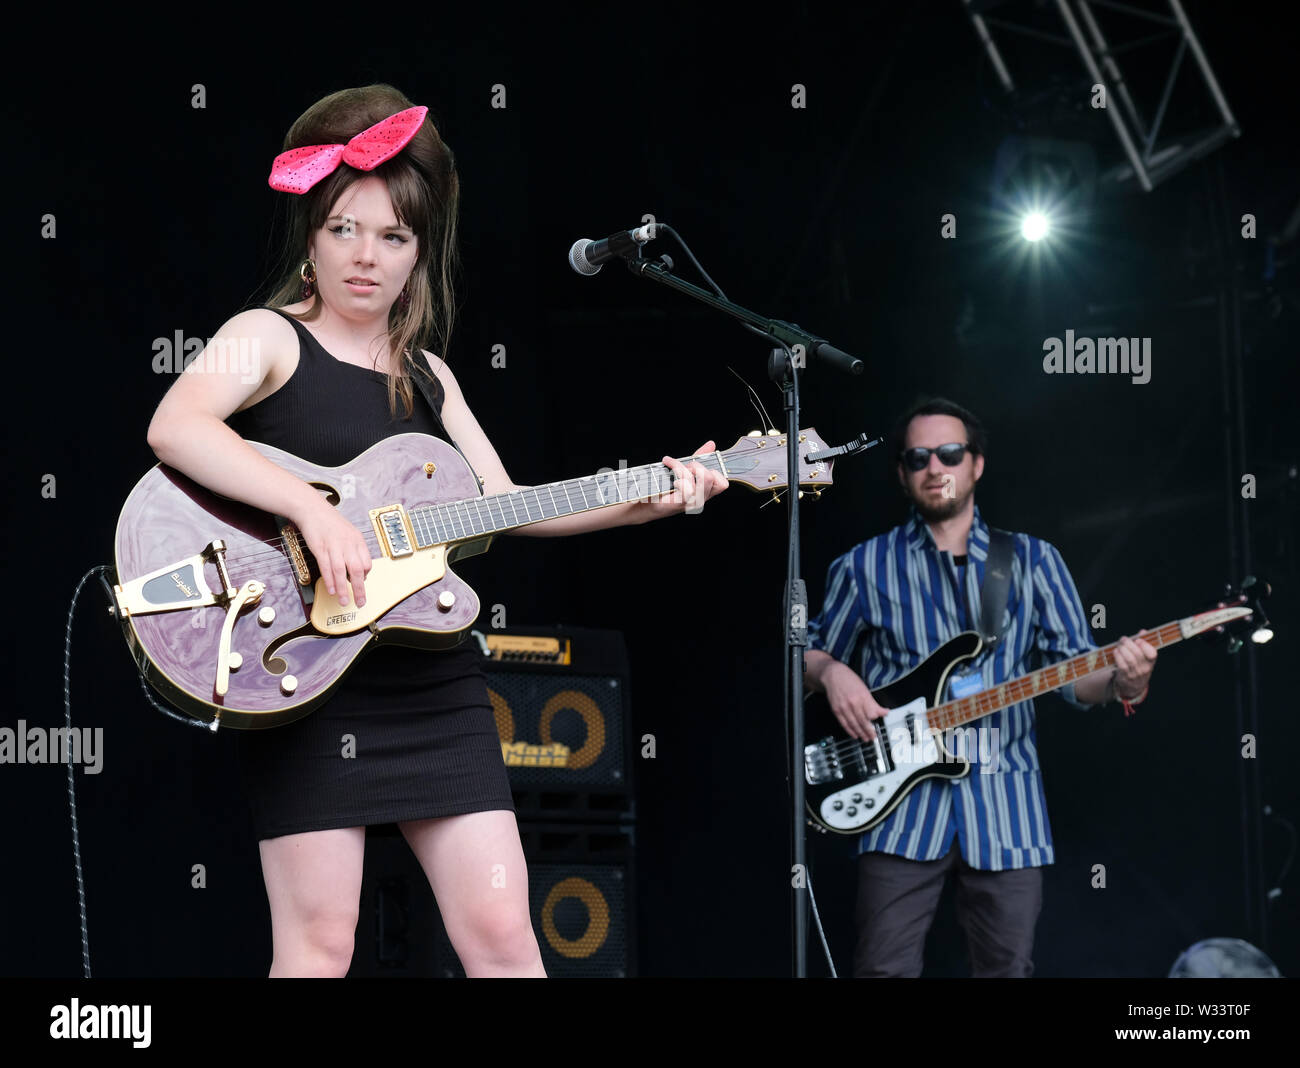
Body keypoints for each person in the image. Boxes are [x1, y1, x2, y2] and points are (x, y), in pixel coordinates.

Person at [145, 84, 728, 978]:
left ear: (421, 252)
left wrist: (651, 492)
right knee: (317, 947)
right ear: (311, 237)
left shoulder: (432, 375)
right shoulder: (262, 336)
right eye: (344, 229)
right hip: (307, 676)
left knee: (504, 939)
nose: (365, 257)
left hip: (434, 682)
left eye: (393, 236)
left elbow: (511, 503)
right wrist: (311, 508)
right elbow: (175, 426)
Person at [802, 396, 1156, 978]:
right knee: (882, 971)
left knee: (1007, 971)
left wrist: (1126, 679)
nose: (934, 467)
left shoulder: (1035, 562)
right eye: (918, 458)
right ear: (901, 472)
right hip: (898, 810)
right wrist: (832, 672)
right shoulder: (863, 567)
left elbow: (1076, 677)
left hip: (1006, 808)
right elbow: (803, 659)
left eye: (949, 453)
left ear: (977, 464)